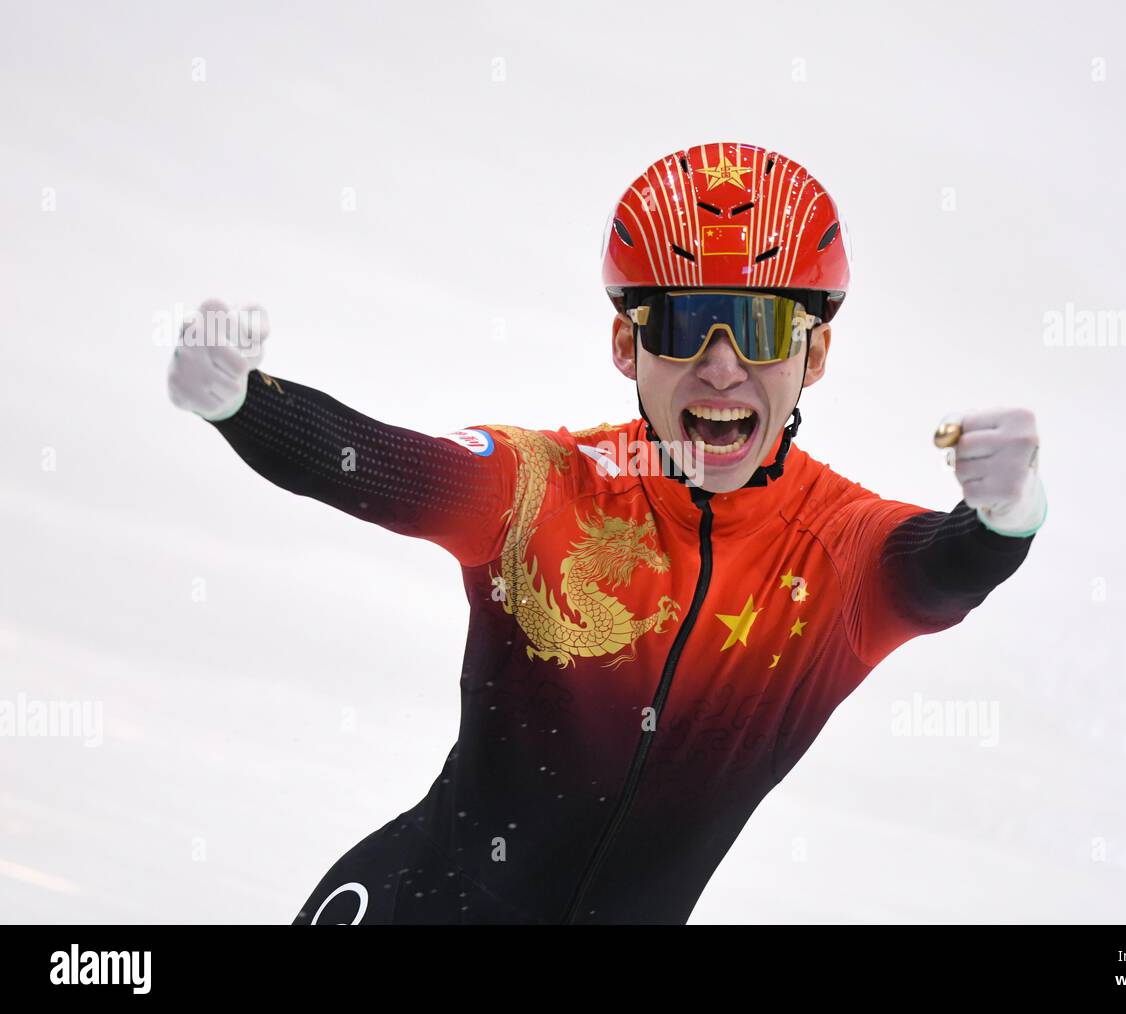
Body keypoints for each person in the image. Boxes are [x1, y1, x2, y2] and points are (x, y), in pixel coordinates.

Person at [168, 142, 1046, 925]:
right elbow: (387, 465)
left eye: (759, 325)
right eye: (679, 323)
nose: (721, 365)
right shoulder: (548, 489)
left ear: (813, 356)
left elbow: (947, 568)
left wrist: (1008, 513)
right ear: (626, 346)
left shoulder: (837, 554)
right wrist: (245, 405)